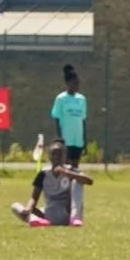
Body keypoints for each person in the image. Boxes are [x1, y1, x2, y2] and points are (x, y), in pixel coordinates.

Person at [12, 144, 93, 225]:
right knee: (15, 206)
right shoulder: (43, 173)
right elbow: (34, 197)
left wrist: (66, 172)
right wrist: (28, 208)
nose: (57, 157)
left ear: (64, 156)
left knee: (78, 181)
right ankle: (36, 220)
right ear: (49, 156)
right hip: (49, 212)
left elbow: (89, 181)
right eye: (54, 154)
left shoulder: (71, 170)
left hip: (67, 211)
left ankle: (74, 218)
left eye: (60, 154)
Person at [50, 65, 89, 220]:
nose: (76, 85)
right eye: (74, 82)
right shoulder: (61, 99)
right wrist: (60, 138)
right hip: (66, 139)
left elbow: (83, 120)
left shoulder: (82, 99)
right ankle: (63, 201)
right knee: (65, 171)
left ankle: (75, 203)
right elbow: (57, 119)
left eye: (78, 83)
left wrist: (85, 138)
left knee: (76, 171)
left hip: (77, 139)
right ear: (68, 83)